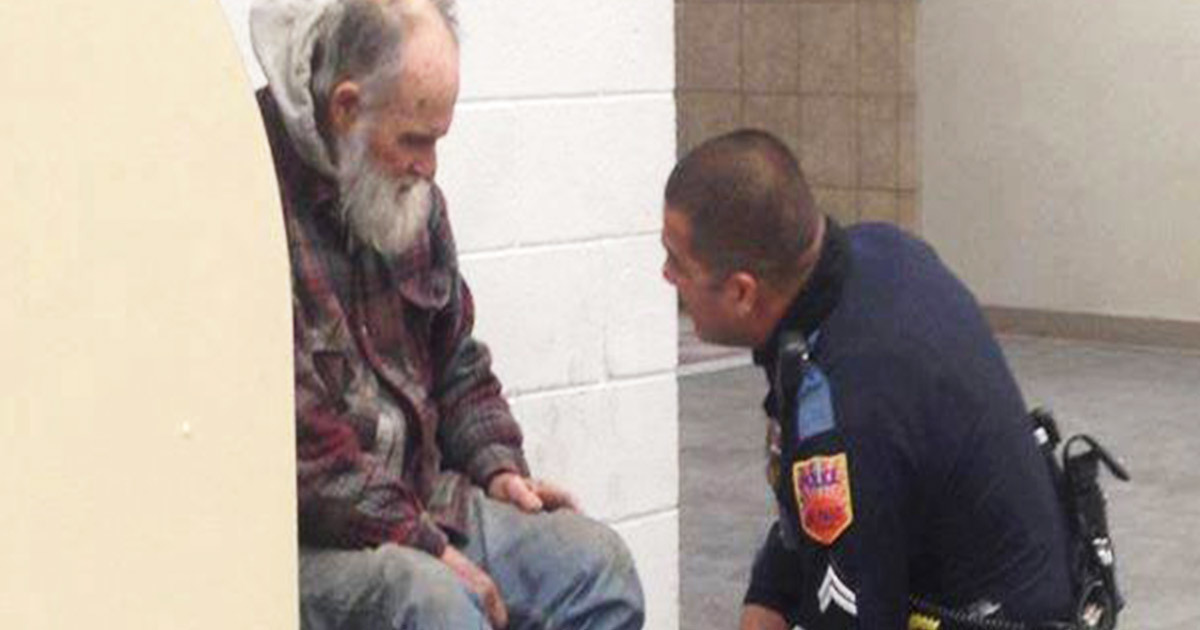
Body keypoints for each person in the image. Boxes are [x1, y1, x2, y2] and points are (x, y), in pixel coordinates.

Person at [248, 1, 645, 628]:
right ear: (345, 108)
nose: (429, 166)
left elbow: (458, 362)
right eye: (415, 139)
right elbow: (303, 453)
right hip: (305, 540)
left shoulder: (410, 197)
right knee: (435, 603)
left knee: (597, 567)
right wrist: (425, 545)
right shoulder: (245, 190)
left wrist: (499, 466)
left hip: (422, 501)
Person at [661, 129, 1075, 630]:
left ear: (743, 293)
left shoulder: (848, 413)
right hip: (1020, 581)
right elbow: (805, 509)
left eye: (678, 262)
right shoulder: (878, 255)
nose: (666, 276)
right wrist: (767, 594)